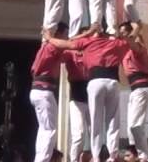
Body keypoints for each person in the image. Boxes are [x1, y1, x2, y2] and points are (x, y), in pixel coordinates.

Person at [44, 27, 134, 161]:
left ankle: (98, 156)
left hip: (95, 82)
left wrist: (50, 39)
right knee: (111, 121)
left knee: (96, 123)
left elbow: (67, 43)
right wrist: (121, 35)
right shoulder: (114, 43)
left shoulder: (88, 42)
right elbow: (130, 42)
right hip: (107, 83)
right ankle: (111, 155)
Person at [30, 24, 69, 162]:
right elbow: (69, 45)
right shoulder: (52, 46)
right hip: (44, 91)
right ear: (59, 34)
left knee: (43, 129)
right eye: (65, 34)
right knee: (49, 130)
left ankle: (40, 158)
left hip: (38, 91)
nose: (66, 37)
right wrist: (51, 38)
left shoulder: (45, 47)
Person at [120, 22, 148, 161]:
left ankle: (145, 156)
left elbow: (132, 42)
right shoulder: (124, 50)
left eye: (124, 32)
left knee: (136, 126)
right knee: (131, 126)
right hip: (136, 90)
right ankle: (134, 151)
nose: (121, 35)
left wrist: (136, 28)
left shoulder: (137, 48)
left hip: (142, 88)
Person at [63, 44, 91, 162]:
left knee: (94, 132)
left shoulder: (91, 56)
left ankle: (95, 158)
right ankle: (73, 160)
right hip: (76, 101)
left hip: (91, 101)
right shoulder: (70, 54)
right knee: (78, 134)